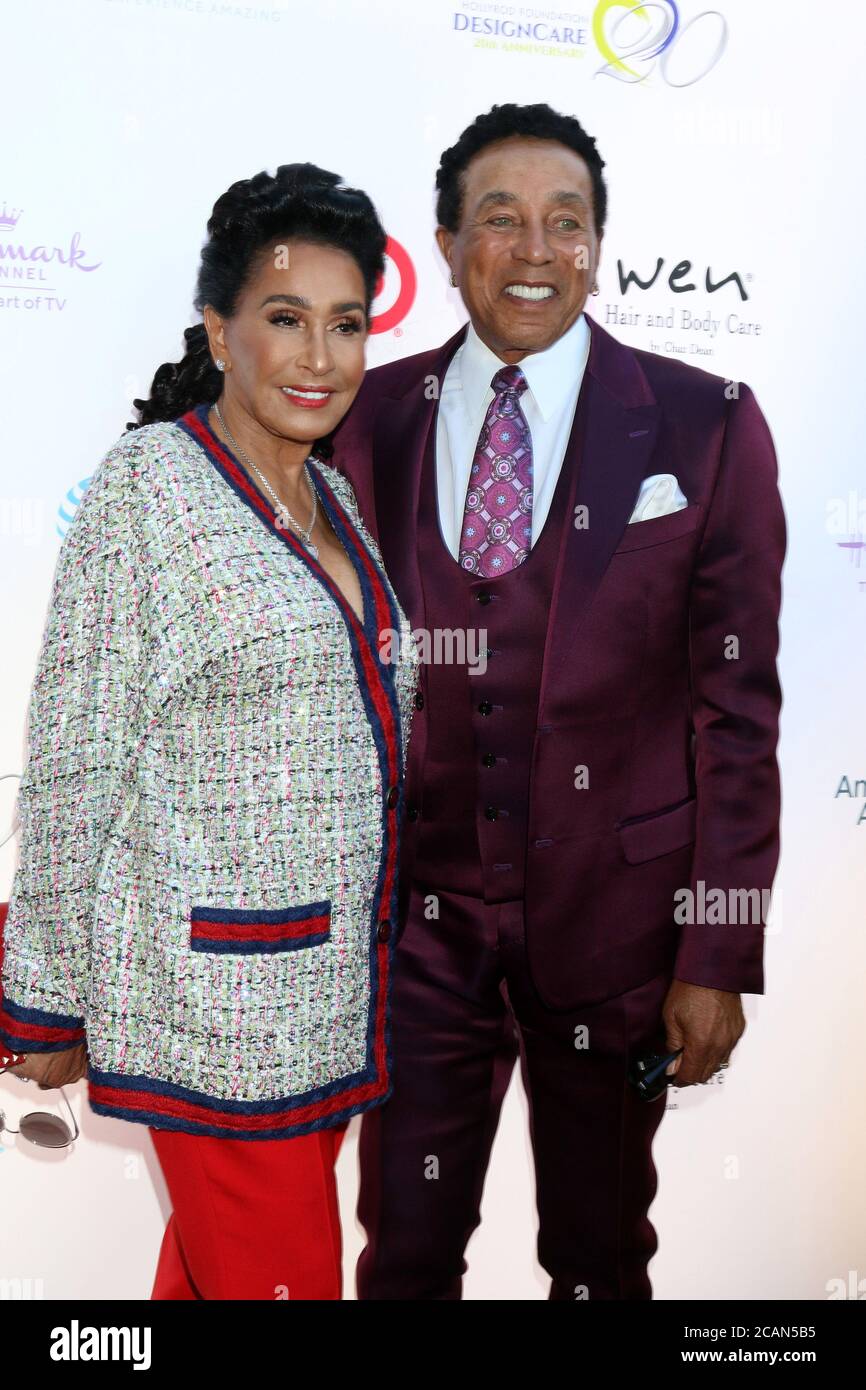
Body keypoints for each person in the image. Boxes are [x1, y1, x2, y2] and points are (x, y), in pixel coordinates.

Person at [330, 103, 786, 1299]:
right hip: (417, 933)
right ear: (443, 243)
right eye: (500, 219)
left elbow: (735, 711)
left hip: (619, 936)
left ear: (599, 241)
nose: (535, 249)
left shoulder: (705, 424)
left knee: (596, 1255)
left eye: (565, 222)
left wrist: (718, 949)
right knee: (404, 1254)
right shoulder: (365, 416)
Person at [0, 163, 418, 1300]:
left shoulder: (329, 500)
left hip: (324, 1004)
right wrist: (39, 993)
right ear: (219, 330)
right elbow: (77, 759)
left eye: (344, 324)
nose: (320, 357)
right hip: (213, 1012)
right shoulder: (149, 490)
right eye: (285, 320)